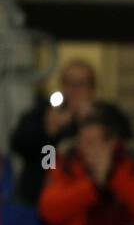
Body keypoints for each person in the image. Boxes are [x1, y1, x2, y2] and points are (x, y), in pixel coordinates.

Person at [9, 58, 99, 209]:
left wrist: (88, 122)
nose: (74, 90)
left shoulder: (101, 116)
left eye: (81, 84)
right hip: (41, 197)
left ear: (91, 88)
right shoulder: (45, 112)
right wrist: (48, 133)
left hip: (86, 200)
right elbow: (24, 147)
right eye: (69, 83)